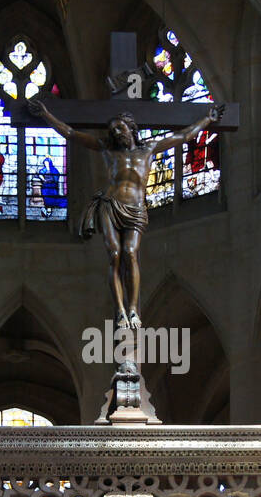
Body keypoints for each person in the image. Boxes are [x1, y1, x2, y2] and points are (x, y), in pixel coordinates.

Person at [27, 98, 224, 329]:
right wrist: (46, 115)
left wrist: (207, 119)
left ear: (131, 128)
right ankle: (120, 311)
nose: (115, 132)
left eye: (119, 127)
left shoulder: (149, 149)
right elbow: (71, 133)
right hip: (111, 205)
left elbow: (183, 136)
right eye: (112, 130)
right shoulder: (106, 149)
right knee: (115, 254)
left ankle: (132, 309)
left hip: (136, 209)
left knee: (130, 252)